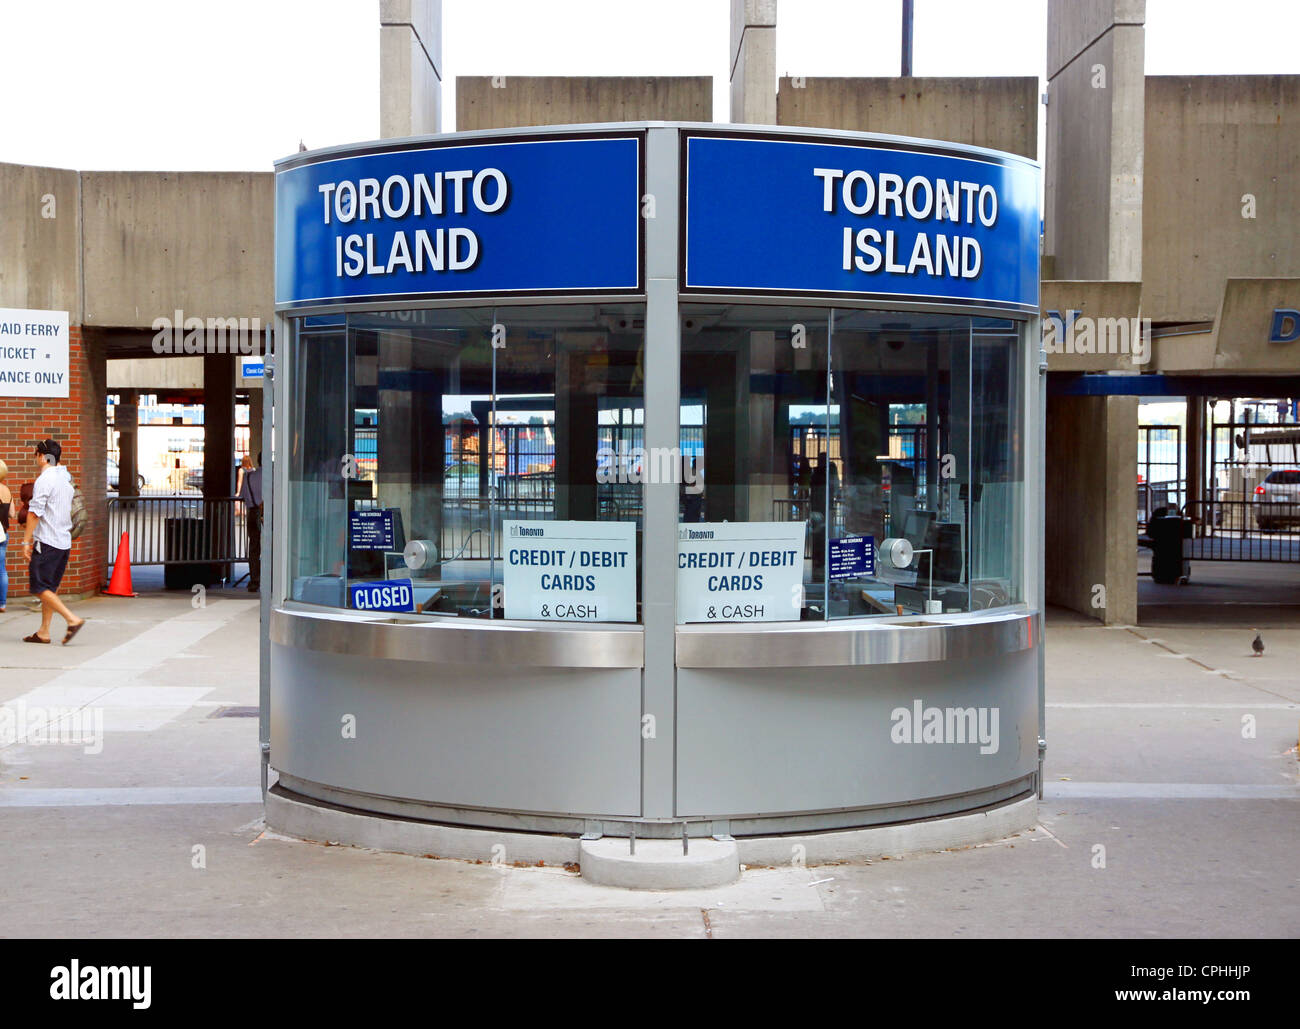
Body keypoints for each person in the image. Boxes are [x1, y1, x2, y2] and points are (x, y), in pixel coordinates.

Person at [22, 439, 85, 644]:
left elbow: (34, 513)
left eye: (36, 454)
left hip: (47, 542)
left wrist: (25, 542)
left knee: (39, 586)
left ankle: (72, 619)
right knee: (49, 587)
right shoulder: (65, 479)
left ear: (42, 455)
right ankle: (44, 632)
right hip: (63, 542)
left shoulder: (45, 479)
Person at [238, 451, 264, 592]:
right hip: (268, 514)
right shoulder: (274, 477)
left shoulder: (249, 477)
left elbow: (243, 495)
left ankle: (255, 580)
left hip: (253, 512)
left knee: (254, 547)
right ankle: (271, 578)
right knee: (271, 547)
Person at [0, 459, 11, 614]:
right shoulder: (7, 490)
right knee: (1, 569)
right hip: (4, 533)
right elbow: (13, 513)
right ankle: (2, 603)